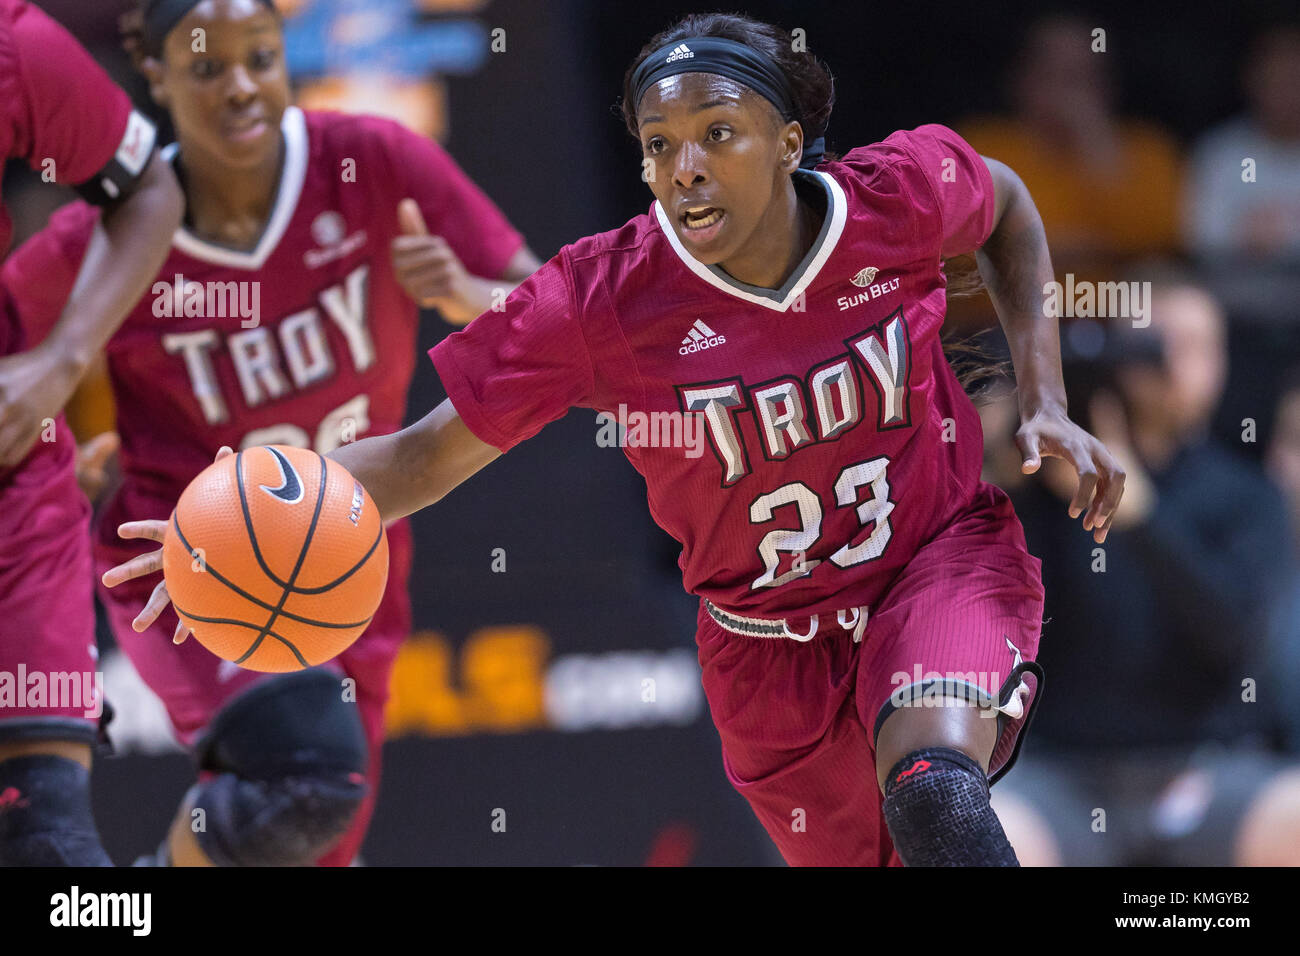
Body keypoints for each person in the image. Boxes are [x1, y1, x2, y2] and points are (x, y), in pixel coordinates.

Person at [106, 11, 1124, 866]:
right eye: (659, 144)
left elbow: (1006, 205)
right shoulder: (599, 300)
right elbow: (421, 455)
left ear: (786, 139)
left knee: (934, 791)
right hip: (766, 650)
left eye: (717, 133)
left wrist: (1043, 394)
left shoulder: (895, 196)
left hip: (934, 565)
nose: (685, 168)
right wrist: (231, 523)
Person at [3, 0, 538, 867]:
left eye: (260, 57)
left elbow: (550, 314)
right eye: (207, 67)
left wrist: (468, 295)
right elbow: (15, 361)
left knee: (313, 839)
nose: (241, 87)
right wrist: (52, 450)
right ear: (156, 76)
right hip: (184, 559)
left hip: (351, 550)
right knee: (301, 780)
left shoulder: (374, 160)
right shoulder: (107, 238)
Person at [983, 280, 1300, 865]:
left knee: (1294, 818)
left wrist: (1142, 517)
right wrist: (1012, 471)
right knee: (992, 834)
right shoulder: (1048, 490)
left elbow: (1235, 637)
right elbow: (1003, 635)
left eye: (1194, 345)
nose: (1169, 362)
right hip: (1066, 775)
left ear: (1221, 364)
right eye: (1155, 342)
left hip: (1208, 768)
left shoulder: (1248, 497)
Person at [0, 0, 183, 866]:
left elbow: (148, 188)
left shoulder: (14, 43)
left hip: (11, 491)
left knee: (49, 851)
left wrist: (62, 359)